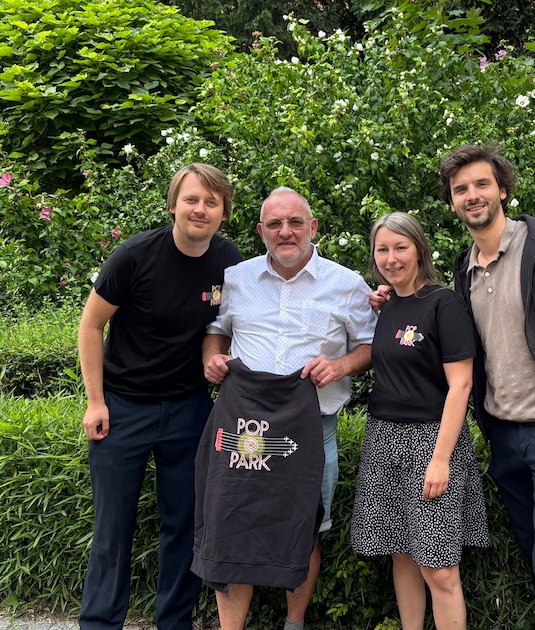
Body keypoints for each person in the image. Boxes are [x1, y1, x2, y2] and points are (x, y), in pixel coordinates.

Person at [374, 143, 535, 629]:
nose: (472, 195)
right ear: (451, 202)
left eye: (481, 184)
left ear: (502, 189)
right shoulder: (464, 275)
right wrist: (391, 301)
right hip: (505, 439)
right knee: (534, 552)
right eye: (460, 189)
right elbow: (440, 335)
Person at [201, 186, 377, 630]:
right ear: (260, 230)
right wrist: (212, 356)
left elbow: (371, 346)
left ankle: (293, 625)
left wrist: (340, 365)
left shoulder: (347, 284)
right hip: (244, 427)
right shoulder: (236, 277)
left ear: (313, 227)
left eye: (295, 222)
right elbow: (216, 329)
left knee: (305, 527)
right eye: (275, 224)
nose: (286, 232)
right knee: (231, 524)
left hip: (311, 428)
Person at [77, 163, 243, 630]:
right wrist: (96, 401)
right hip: (124, 409)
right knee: (113, 529)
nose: (200, 209)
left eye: (212, 202)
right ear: (173, 205)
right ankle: (100, 624)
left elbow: (240, 321)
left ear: (224, 213)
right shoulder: (133, 256)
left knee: (184, 527)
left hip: (190, 409)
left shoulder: (230, 262)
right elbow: (91, 325)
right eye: (192, 199)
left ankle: (174, 622)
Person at [350, 212, 488, 630]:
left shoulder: (444, 304)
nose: (391, 258)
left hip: (432, 441)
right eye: (382, 249)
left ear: (420, 249)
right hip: (383, 438)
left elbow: (460, 386)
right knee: (402, 552)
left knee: (440, 568)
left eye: (400, 247)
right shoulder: (387, 304)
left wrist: (441, 458)